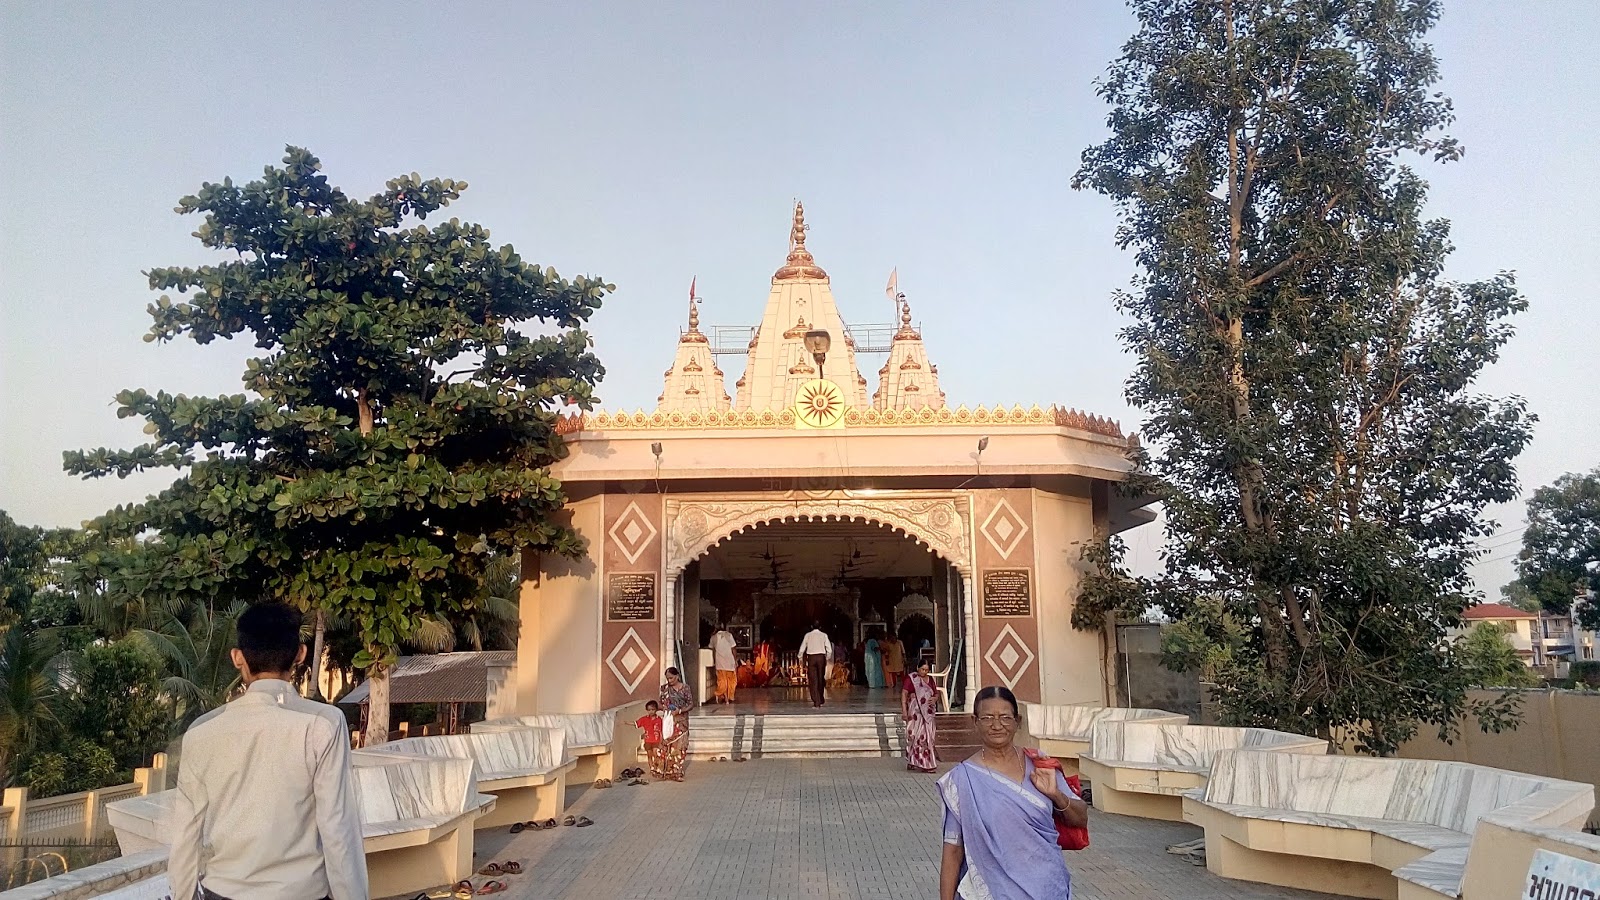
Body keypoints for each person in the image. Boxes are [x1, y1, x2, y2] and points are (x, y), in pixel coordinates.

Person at [169, 603, 367, 900]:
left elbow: (186, 834)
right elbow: (338, 829)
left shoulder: (201, 732)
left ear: (238, 657)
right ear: (300, 654)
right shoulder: (323, 724)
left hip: (223, 892)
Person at [937, 685, 1088, 900]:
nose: (996, 725)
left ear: (1017, 721)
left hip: (1047, 888)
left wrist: (1056, 795)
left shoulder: (1040, 764)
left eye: (1005, 718)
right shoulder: (962, 779)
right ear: (975, 722)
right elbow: (952, 850)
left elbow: (1080, 818)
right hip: (993, 891)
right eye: (987, 717)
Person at [901, 661, 941, 773]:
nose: (924, 672)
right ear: (918, 668)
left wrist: (935, 698)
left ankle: (926, 763)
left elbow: (936, 693)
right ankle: (915, 760)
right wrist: (904, 710)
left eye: (926, 670)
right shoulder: (911, 679)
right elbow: (904, 694)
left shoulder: (930, 680)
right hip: (915, 713)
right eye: (922, 669)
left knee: (928, 737)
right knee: (915, 736)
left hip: (928, 713)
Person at [656, 667, 694, 781]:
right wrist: (666, 709)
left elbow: (690, 704)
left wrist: (680, 710)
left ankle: (677, 771)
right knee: (667, 745)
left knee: (680, 747)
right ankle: (665, 771)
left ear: (677, 676)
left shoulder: (685, 688)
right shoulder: (664, 689)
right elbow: (660, 703)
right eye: (667, 678)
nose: (670, 680)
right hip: (669, 721)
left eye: (671, 678)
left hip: (681, 721)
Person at [798, 622, 832, 707]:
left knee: (813, 679)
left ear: (811, 626)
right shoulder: (824, 635)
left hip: (812, 658)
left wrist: (800, 657)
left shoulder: (808, 635)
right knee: (821, 678)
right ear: (820, 627)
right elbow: (829, 649)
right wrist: (827, 657)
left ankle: (816, 700)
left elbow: (802, 647)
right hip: (821, 657)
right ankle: (820, 698)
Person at [635, 700, 665, 778]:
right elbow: (636, 723)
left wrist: (662, 741)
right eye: (649, 710)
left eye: (652, 710)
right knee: (649, 755)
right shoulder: (644, 719)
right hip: (648, 740)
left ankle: (657, 767)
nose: (651, 712)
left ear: (656, 710)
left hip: (656, 740)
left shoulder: (659, 720)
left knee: (655, 753)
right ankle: (651, 768)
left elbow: (661, 731)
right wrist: (625, 723)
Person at [710, 625, 739, 704]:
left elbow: (712, 650)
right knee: (731, 681)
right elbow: (733, 649)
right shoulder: (729, 635)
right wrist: (735, 659)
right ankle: (729, 697)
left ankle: (724, 697)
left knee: (722, 681)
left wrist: (714, 660)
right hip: (730, 662)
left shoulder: (713, 638)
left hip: (720, 663)